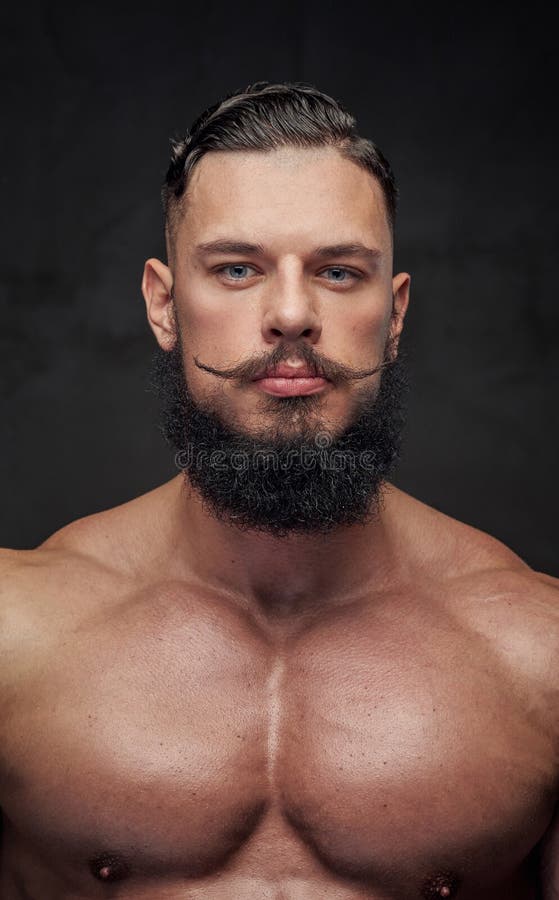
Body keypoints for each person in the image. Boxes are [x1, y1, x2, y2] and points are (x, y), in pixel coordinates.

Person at [0, 81, 557, 900]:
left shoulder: (539, 658)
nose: (290, 315)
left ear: (393, 315)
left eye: (338, 271)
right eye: (235, 269)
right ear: (163, 304)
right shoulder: (17, 636)